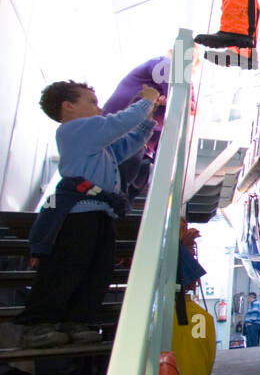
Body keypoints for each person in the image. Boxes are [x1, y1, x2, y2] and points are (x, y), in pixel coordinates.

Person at [17, 81, 162, 348]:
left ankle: (78, 320)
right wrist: (146, 101)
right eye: (92, 101)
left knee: (96, 272)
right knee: (65, 269)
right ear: (68, 106)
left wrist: (145, 123)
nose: (99, 108)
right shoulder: (73, 130)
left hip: (100, 214)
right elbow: (117, 124)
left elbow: (125, 145)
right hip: (77, 215)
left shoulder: (95, 144)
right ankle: (38, 324)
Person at [101, 56, 169, 198]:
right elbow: (185, 106)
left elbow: (187, 108)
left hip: (140, 145)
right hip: (121, 136)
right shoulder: (164, 63)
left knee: (121, 193)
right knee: (111, 191)